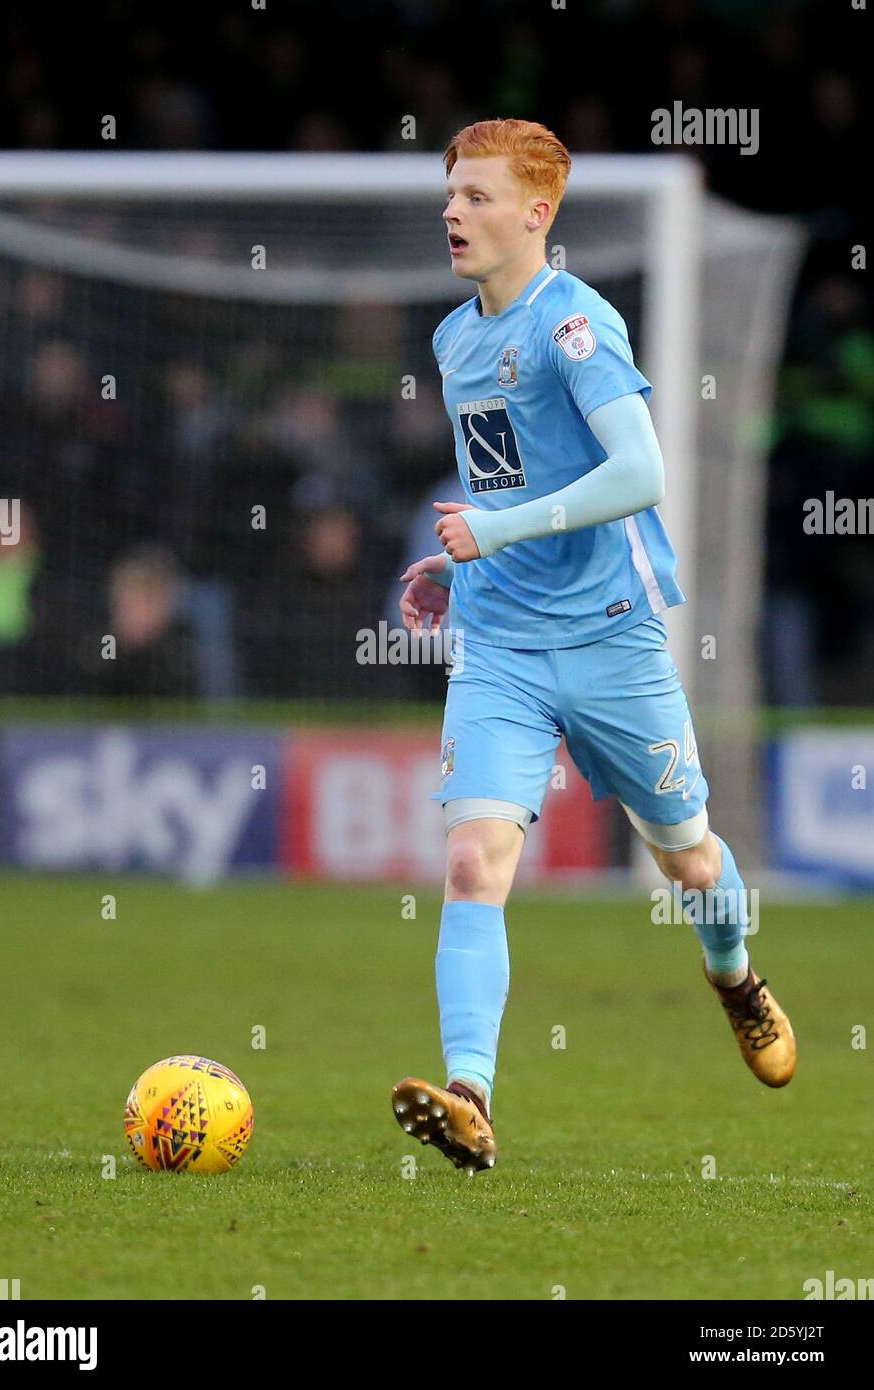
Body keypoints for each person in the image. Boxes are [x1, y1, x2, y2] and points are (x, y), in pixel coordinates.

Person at [391, 118, 796, 1175]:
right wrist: (456, 563)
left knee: (688, 857)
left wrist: (496, 531)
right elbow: (502, 482)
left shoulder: (575, 324)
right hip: (502, 648)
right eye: (449, 194)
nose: (453, 212)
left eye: (477, 197)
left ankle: (736, 976)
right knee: (474, 861)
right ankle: (470, 1094)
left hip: (611, 642)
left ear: (536, 215)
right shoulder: (452, 341)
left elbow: (636, 474)